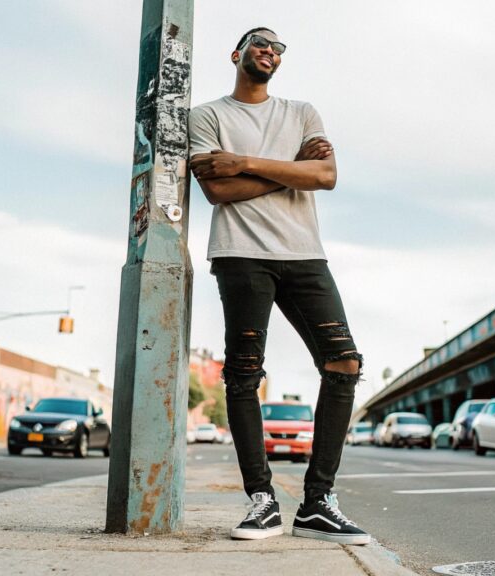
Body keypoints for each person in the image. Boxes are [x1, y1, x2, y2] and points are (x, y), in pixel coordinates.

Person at [188, 27, 370, 545]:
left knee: (344, 362)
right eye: (260, 43)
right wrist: (296, 170)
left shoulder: (302, 112)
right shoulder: (207, 116)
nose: (269, 50)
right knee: (245, 373)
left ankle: (317, 504)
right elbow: (217, 190)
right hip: (241, 255)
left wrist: (245, 161)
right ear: (237, 54)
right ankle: (262, 500)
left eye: (277, 47)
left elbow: (327, 176)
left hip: (305, 255)